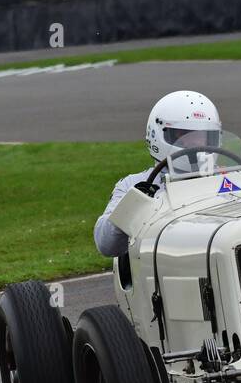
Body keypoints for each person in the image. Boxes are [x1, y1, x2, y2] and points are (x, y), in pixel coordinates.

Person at [93, 90, 221, 258]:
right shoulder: (134, 185)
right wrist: (134, 203)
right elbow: (106, 245)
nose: (196, 143)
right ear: (158, 135)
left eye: (203, 136)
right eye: (184, 135)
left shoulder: (230, 177)